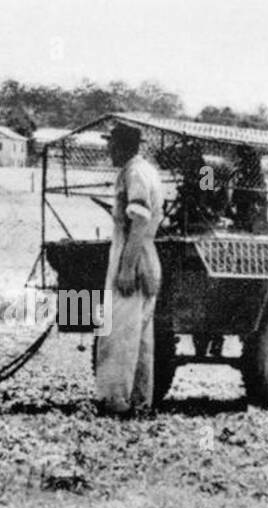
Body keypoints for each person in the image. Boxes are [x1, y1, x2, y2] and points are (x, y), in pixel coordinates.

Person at [96, 124, 164, 414]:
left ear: (121, 146)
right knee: (140, 336)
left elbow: (139, 219)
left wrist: (126, 267)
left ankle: (116, 401)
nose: (108, 149)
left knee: (119, 332)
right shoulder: (145, 169)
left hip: (133, 254)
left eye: (111, 144)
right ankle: (138, 401)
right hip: (145, 254)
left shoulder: (134, 172)